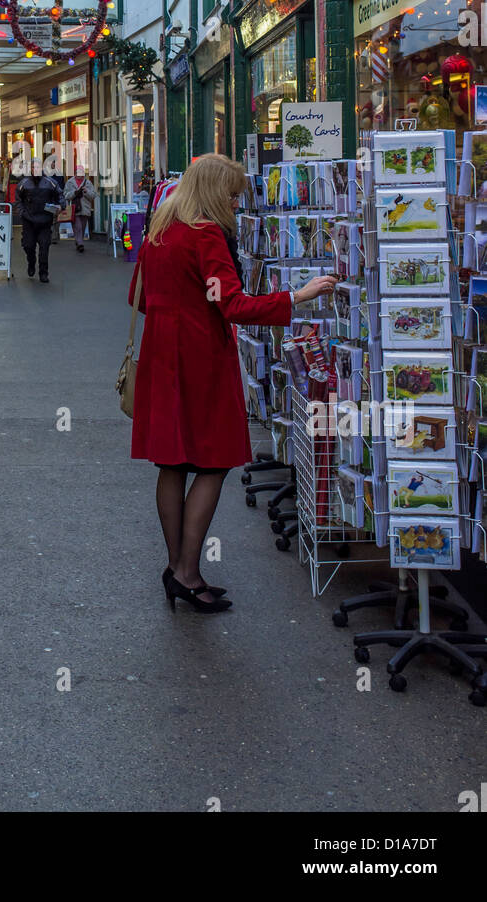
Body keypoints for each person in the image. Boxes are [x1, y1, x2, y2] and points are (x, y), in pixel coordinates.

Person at [128, 152, 335, 614]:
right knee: (214, 463)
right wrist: (296, 296)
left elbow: (137, 297)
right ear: (216, 191)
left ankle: (176, 569)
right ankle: (187, 573)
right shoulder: (206, 236)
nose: (237, 204)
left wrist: (175, 312)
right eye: (234, 194)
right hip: (200, 358)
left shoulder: (160, 230)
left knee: (172, 463)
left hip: (161, 354)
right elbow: (234, 306)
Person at [17, 158, 64, 283]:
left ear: (41, 168)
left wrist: (60, 205)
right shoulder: (24, 183)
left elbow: (60, 196)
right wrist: (22, 212)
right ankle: (31, 263)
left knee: (44, 247)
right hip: (29, 221)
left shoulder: (50, 183)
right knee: (28, 246)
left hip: (45, 220)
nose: (35, 169)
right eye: (33, 167)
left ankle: (43, 273)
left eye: (38, 167)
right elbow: (18, 200)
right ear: (30, 169)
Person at [64, 166, 96, 252]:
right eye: (78, 173)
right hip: (74, 207)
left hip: (85, 208)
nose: (80, 175)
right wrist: (74, 193)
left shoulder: (88, 183)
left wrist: (86, 192)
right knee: (77, 226)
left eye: (81, 173)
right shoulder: (70, 182)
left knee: (82, 226)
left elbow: (93, 195)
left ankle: (78, 241)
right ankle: (80, 243)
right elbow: (66, 195)